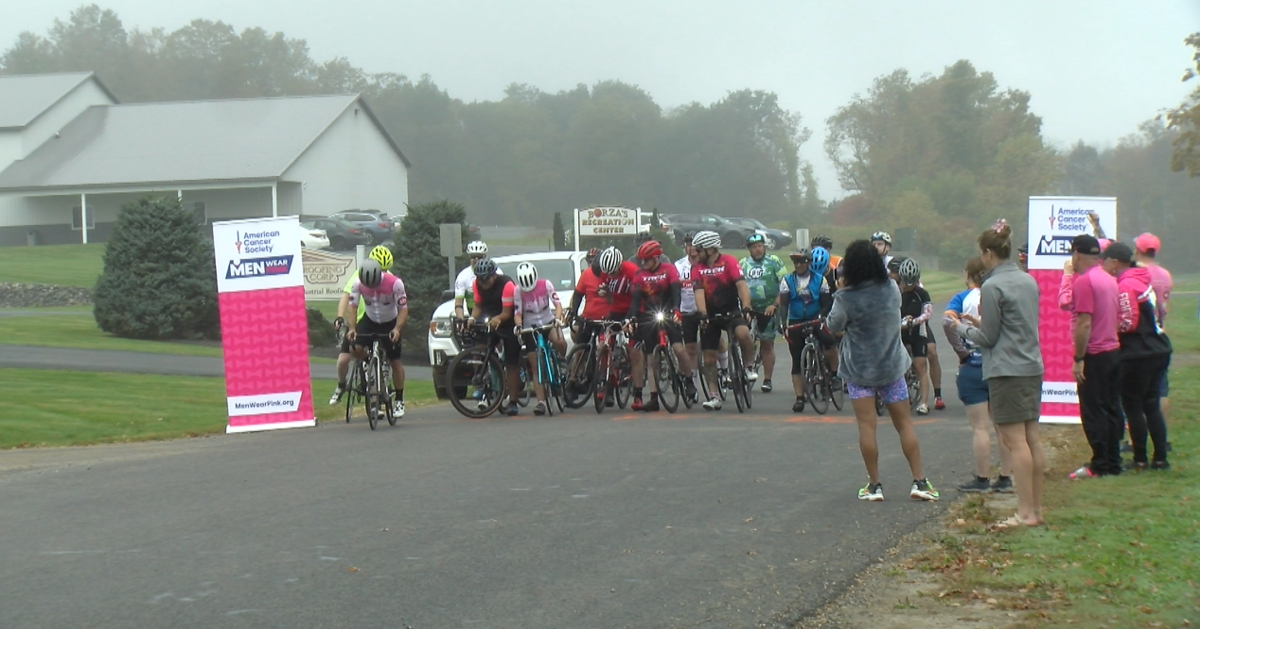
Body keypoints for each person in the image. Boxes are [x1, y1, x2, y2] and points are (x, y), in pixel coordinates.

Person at [828, 240, 938, 502]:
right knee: (904, 424)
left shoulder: (846, 297)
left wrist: (839, 291)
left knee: (867, 427)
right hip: (891, 367)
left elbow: (834, 325)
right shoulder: (890, 288)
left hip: (859, 370)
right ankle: (919, 481)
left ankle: (874, 485)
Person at [952, 220, 1044, 528]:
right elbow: (1013, 325)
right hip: (1031, 365)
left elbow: (988, 339)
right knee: (1032, 438)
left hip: (1006, 369)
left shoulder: (993, 286)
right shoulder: (1028, 281)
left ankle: (1025, 512)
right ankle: (1036, 508)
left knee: (1015, 441)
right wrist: (981, 324)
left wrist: (961, 328)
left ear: (989, 253)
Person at [944, 257, 1014, 493]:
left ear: (967, 274)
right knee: (1002, 426)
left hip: (972, 365)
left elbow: (947, 321)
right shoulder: (999, 293)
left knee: (980, 428)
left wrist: (961, 349)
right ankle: (1005, 477)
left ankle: (982, 479)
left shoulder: (962, 298)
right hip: (999, 365)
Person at [1102, 243, 1172, 470]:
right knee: (1151, 404)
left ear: (1115, 263)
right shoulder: (1143, 281)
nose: (1103, 266)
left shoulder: (1125, 285)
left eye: (1105, 262)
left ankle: (1140, 458)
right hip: (1158, 346)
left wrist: (1111, 330)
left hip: (1137, 352)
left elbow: (1128, 323)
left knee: (1133, 405)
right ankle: (1160, 458)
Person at [1067, 235, 1124, 479]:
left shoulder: (1084, 282)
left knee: (1093, 410)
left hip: (1095, 353)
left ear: (1076, 254)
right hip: (1113, 350)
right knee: (1111, 407)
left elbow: (1084, 322)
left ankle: (1099, 464)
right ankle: (1113, 460)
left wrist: (1078, 358)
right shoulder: (1109, 279)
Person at [690, 230, 758, 411]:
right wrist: (703, 313)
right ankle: (714, 396)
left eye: (699, 249)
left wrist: (746, 307)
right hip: (710, 313)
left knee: (743, 333)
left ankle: (749, 366)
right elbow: (699, 292)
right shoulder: (696, 268)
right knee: (709, 358)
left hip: (731, 309)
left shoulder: (729, 261)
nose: (696, 253)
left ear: (711, 249)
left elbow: (741, 285)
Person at [626, 240, 691, 411]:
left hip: (668, 312)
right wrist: (633, 317)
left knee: (678, 349)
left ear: (656, 258)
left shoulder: (669, 269)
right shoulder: (640, 274)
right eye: (641, 260)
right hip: (649, 316)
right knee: (651, 358)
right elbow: (636, 299)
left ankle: (689, 379)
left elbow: (676, 291)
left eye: (646, 260)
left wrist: (676, 309)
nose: (642, 263)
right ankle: (654, 397)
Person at [330, 245, 394, 405]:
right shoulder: (361, 274)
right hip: (358, 322)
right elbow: (346, 296)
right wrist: (340, 316)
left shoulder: (390, 279)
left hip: (378, 322)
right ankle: (341, 385)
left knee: (376, 363)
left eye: (385, 270)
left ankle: (377, 399)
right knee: (343, 360)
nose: (382, 274)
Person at [346, 258, 409, 419]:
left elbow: (403, 309)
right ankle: (369, 362)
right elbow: (352, 307)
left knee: (395, 361)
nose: (371, 287)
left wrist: (397, 329)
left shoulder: (395, 283)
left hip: (390, 322)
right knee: (354, 348)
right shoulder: (357, 283)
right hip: (370, 320)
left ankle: (399, 400)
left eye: (373, 284)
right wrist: (352, 328)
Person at [780, 248, 838, 412]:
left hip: (815, 318)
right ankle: (799, 398)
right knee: (796, 359)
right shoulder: (787, 280)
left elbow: (826, 302)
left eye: (802, 261)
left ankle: (834, 374)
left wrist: (821, 315)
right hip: (796, 320)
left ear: (808, 263)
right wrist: (783, 322)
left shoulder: (820, 280)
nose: (798, 265)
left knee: (829, 341)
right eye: (796, 262)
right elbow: (784, 304)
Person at [512, 262, 566, 416]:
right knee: (535, 366)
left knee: (559, 340)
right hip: (530, 326)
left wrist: (557, 318)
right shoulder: (517, 291)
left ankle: (562, 361)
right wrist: (518, 326)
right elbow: (517, 312)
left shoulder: (545, 284)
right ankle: (541, 402)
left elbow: (557, 304)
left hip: (548, 320)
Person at [469, 258, 522, 416]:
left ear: (494, 275)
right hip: (491, 317)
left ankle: (513, 401)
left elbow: (507, 312)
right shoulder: (477, 284)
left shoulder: (506, 285)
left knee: (511, 363)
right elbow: (478, 306)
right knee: (481, 347)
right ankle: (485, 386)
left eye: (486, 279)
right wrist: (471, 318)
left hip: (508, 320)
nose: (483, 282)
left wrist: (498, 319)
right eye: (480, 279)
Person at [740, 233, 788, 393]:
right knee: (745, 340)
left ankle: (767, 379)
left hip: (768, 309)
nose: (758, 249)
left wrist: (774, 305)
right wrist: (744, 306)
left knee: (767, 344)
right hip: (749, 308)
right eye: (754, 247)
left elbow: (785, 286)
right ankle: (745, 370)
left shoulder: (774, 261)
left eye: (760, 246)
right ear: (749, 249)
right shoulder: (743, 263)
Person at [1133, 233, 1173, 422]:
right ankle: (1162, 431)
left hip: (1140, 333)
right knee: (1161, 389)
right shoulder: (1165, 274)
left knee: (1136, 389)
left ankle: (1137, 430)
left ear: (1137, 250)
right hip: (1160, 332)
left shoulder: (1136, 272)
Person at [894, 258, 936, 415]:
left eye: (912, 283)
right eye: (906, 282)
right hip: (900, 331)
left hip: (918, 331)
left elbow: (928, 313)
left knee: (920, 366)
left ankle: (924, 403)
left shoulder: (922, 293)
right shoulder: (896, 292)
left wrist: (914, 321)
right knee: (897, 365)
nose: (909, 286)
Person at [675, 233, 702, 402]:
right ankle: (694, 384)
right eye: (688, 244)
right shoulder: (678, 265)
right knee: (690, 349)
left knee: (717, 345)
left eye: (694, 244)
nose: (691, 248)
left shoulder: (704, 264)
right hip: (686, 311)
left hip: (703, 309)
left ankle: (724, 370)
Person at [454, 241, 501, 320]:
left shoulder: (497, 272)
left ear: (485, 257)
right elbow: (459, 303)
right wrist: (460, 319)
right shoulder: (463, 276)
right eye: (473, 257)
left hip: (494, 313)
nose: (476, 259)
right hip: (474, 315)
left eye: (479, 257)